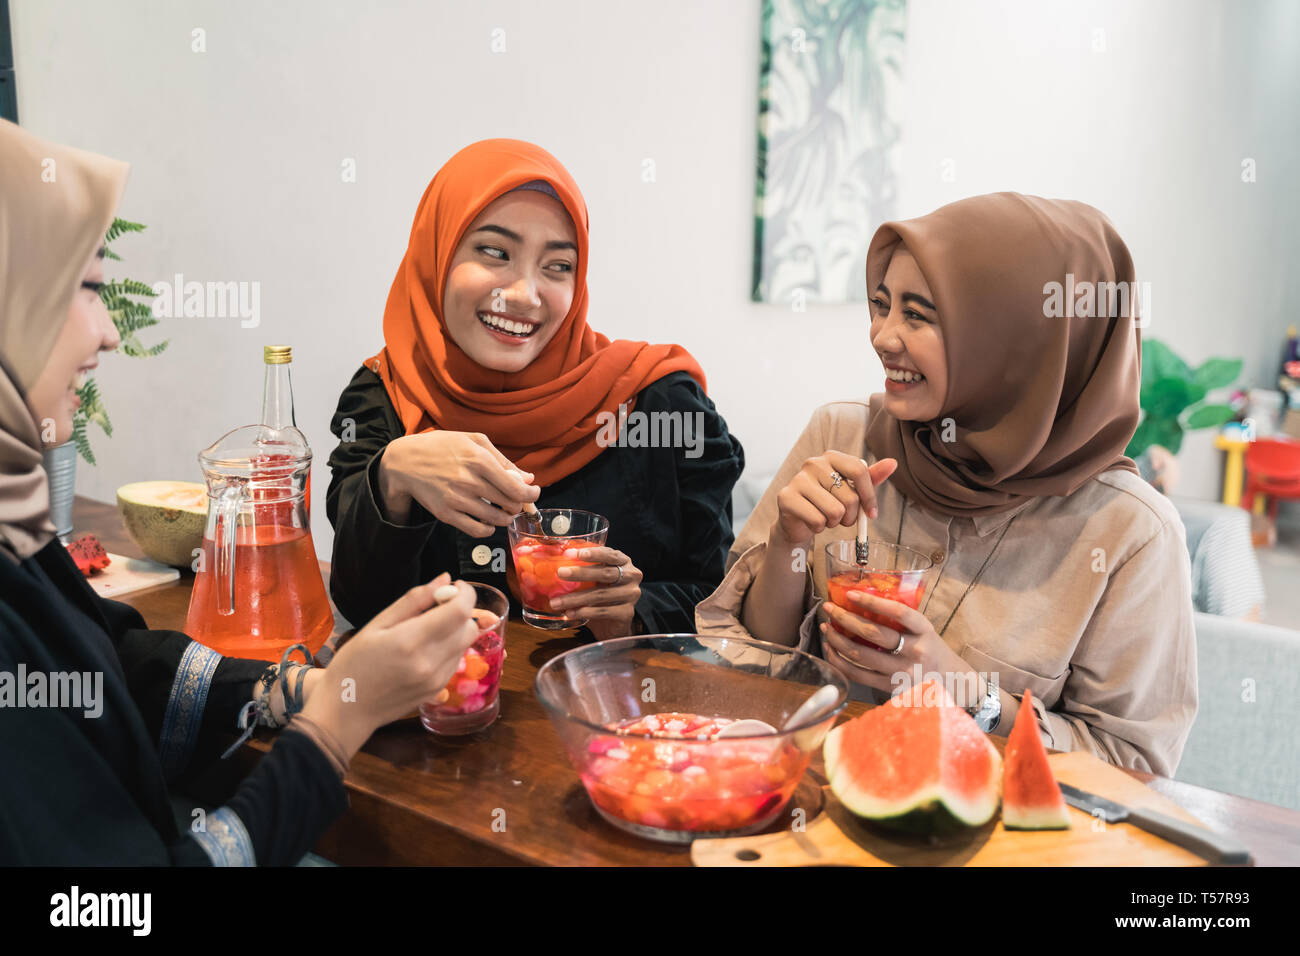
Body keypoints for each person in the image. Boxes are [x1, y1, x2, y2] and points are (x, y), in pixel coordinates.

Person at [0, 119, 482, 865]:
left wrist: (283, 691)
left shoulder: (12, 518)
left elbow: (94, 659)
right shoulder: (378, 393)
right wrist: (332, 727)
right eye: (87, 288)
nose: (109, 334)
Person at [698, 192, 1198, 776]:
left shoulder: (1130, 533)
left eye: (919, 314)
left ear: (1019, 341)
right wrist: (786, 544)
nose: (882, 336)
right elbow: (752, 660)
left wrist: (964, 691)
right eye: (881, 306)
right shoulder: (841, 437)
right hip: (802, 794)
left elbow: (1133, 767)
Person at [326, 139, 743, 639]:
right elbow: (363, 610)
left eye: (558, 266)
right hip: (444, 712)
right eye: (494, 252)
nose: (523, 295)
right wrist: (391, 479)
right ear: (436, 253)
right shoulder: (385, 399)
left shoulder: (654, 401)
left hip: (623, 711)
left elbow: (724, 605)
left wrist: (633, 609)